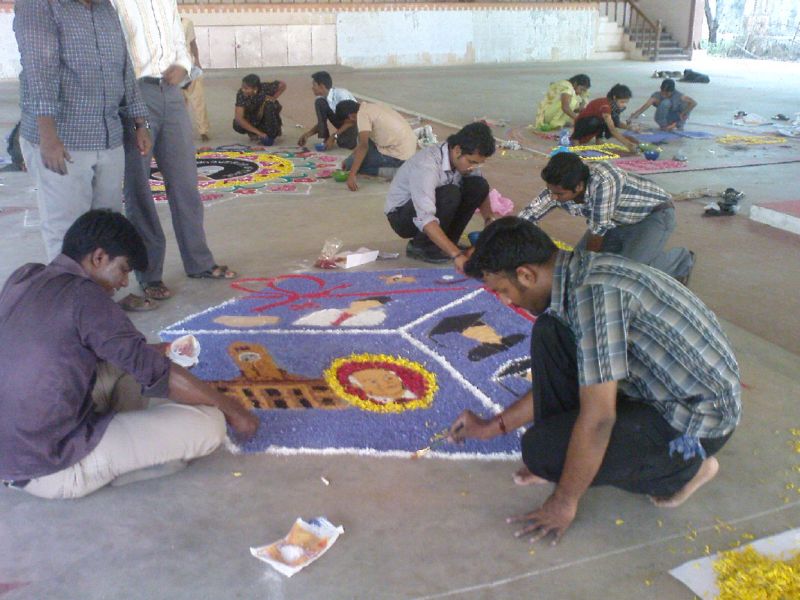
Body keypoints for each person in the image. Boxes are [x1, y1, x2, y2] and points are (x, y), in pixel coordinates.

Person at [450, 217, 741, 544]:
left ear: (526, 275)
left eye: (502, 290)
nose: (505, 301)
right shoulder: (577, 271)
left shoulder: (592, 299)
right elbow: (582, 377)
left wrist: (563, 502)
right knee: (551, 331)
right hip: (658, 388)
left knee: (541, 451)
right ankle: (565, 456)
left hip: (696, 421)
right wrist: (493, 426)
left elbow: (600, 418)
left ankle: (685, 470)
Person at [0, 210, 259, 499]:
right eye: (123, 269)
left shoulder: (27, 275)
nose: (125, 283)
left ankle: (120, 440)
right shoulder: (86, 297)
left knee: (130, 363)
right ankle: (118, 463)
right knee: (210, 423)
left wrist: (158, 353)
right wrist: (235, 411)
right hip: (51, 467)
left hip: (12, 450)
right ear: (98, 258)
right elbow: (157, 373)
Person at [111, 0, 238, 312]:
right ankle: (149, 272)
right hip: (135, 92)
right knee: (139, 189)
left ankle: (199, 262)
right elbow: (116, 49)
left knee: (185, 183)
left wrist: (183, 66)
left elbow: (179, 42)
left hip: (171, 93)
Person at [14, 0, 151, 261]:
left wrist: (139, 121)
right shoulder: (39, 5)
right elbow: (39, 70)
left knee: (107, 228)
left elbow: (124, 66)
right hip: (63, 140)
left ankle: (103, 300)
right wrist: (48, 136)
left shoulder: (105, 8)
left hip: (108, 136)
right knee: (67, 231)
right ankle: (71, 298)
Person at [519, 152, 694, 283]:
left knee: (629, 275)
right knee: (575, 264)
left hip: (652, 216)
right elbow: (528, 216)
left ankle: (681, 259)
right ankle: (629, 251)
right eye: (551, 191)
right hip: (616, 220)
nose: (553, 197)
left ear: (579, 186)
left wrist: (585, 272)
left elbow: (597, 234)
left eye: (559, 194)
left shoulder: (604, 181)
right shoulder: (560, 187)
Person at [385, 122, 496, 266]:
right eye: (471, 162)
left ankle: (449, 242)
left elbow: (481, 188)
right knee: (450, 194)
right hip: (402, 216)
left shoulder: (464, 161)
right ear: (457, 150)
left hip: (431, 207)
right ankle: (420, 246)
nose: (473, 167)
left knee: (478, 185)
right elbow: (425, 218)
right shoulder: (427, 165)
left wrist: (489, 221)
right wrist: (456, 256)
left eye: (478, 164)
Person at [335, 100, 417, 192]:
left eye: (348, 122)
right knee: (354, 157)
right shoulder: (370, 106)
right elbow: (364, 143)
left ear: (351, 117)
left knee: (359, 167)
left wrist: (352, 175)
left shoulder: (362, 115)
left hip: (399, 156)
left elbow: (363, 146)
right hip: (408, 148)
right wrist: (350, 159)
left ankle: (397, 172)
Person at [296, 71, 358, 150]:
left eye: (314, 85)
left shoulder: (342, 95)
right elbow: (322, 122)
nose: (312, 88)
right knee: (319, 102)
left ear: (321, 86)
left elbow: (352, 121)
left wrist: (334, 136)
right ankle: (325, 138)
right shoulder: (321, 98)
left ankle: (353, 136)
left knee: (345, 143)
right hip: (342, 122)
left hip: (353, 123)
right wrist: (307, 135)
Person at [571, 84, 638, 152]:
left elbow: (616, 122)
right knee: (599, 120)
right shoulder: (605, 106)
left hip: (597, 121)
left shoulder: (614, 106)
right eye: (622, 102)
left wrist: (629, 127)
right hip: (582, 123)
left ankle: (599, 139)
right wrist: (628, 144)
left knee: (608, 120)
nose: (624, 105)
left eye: (626, 102)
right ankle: (575, 139)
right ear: (614, 98)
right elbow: (612, 129)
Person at [233, 74, 286, 145]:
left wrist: (274, 98)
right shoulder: (241, 94)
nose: (243, 90)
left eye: (246, 88)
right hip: (253, 118)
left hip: (266, 117)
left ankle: (274, 131)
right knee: (237, 124)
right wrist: (259, 133)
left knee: (269, 105)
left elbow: (282, 85)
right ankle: (253, 132)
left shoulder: (265, 88)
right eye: (242, 87)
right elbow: (239, 118)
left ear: (255, 89)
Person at [181, 17, 211, 142]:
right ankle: (181, 131)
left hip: (190, 68)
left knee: (198, 102)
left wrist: (197, 60)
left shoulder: (186, 23)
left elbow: (193, 43)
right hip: (172, 70)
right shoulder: (161, 23)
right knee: (179, 105)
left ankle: (203, 131)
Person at [627, 79, 697, 131]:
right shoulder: (657, 95)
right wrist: (633, 117)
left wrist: (683, 114)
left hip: (678, 116)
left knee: (668, 102)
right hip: (665, 117)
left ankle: (678, 125)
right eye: (662, 92)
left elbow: (694, 103)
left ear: (672, 91)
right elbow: (645, 106)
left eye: (667, 93)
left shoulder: (680, 96)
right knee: (665, 102)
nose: (664, 94)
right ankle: (664, 126)